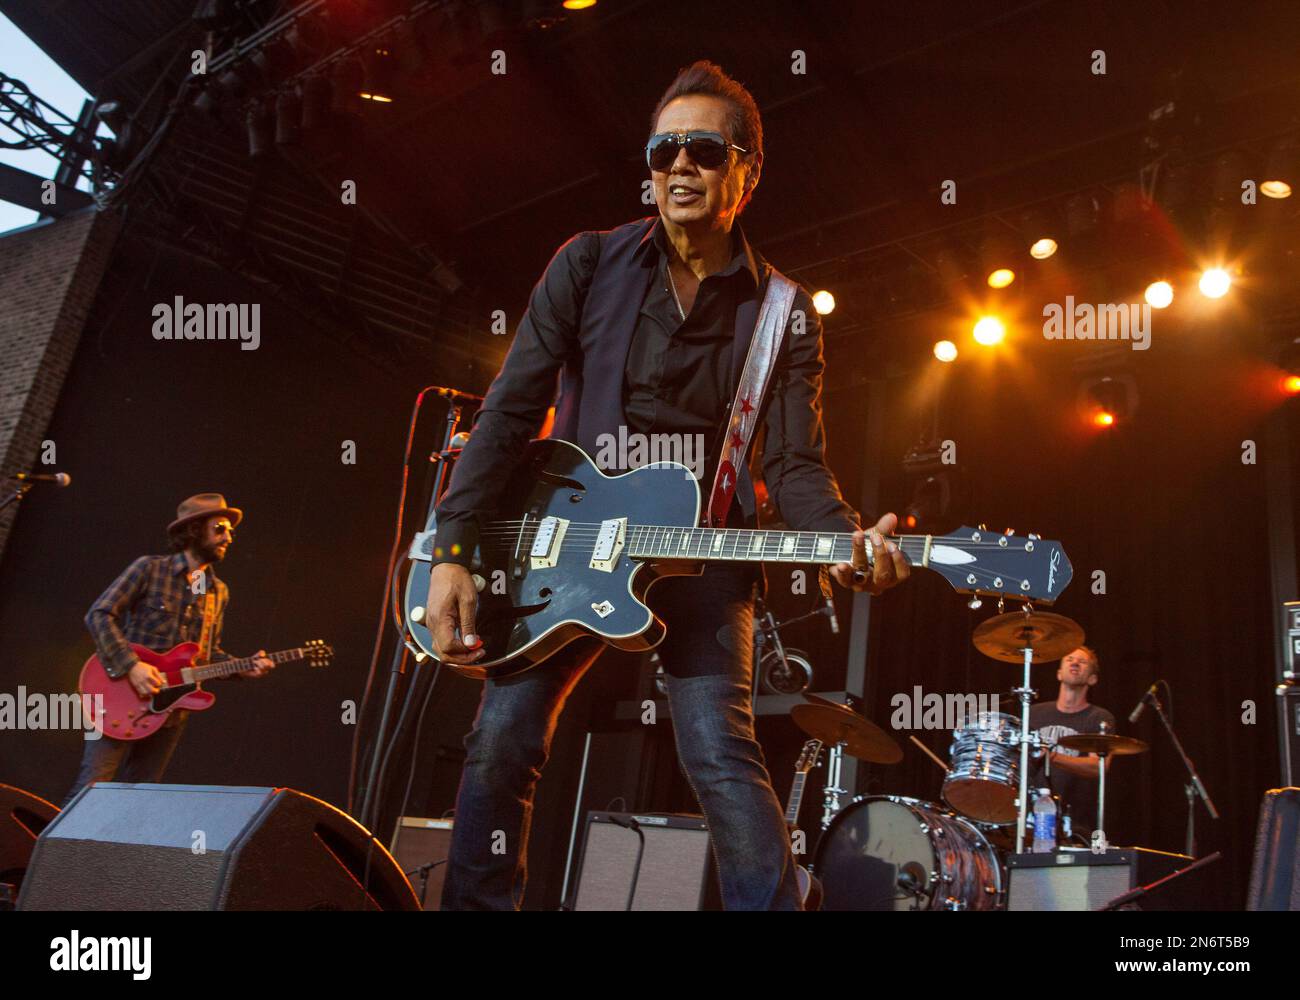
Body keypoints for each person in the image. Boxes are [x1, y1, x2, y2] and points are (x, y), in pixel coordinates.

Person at [425, 61, 910, 910]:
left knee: (720, 755)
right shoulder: (586, 263)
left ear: (746, 172)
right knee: (501, 742)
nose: (679, 166)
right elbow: (509, 411)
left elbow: (793, 462)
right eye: (662, 151)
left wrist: (844, 538)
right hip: (564, 539)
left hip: (701, 550)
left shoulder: (784, 312)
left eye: (702, 150)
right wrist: (454, 548)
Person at [62, 493, 274, 805]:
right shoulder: (149, 569)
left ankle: (115, 853)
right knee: (91, 789)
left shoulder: (218, 591)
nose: (228, 537)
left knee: (139, 795)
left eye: (230, 531)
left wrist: (245, 667)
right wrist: (132, 666)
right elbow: (99, 614)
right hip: (120, 696)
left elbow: (207, 655)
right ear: (194, 531)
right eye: (220, 529)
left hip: (171, 711)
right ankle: (59, 854)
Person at [1029, 645, 1116, 838]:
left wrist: (1051, 756)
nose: (1075, 663)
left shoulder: (1099, 718)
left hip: (1077, 823)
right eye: (1069, 659)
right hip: (1032, 818)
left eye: (1082, 661)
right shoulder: (1034, 714)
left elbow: (1099, 766)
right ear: (1059, 674)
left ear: (1092, 679)